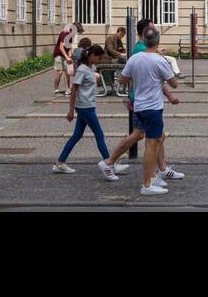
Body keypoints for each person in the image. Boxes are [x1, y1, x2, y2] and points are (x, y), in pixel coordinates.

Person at [104, 21, 183, 185]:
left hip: (139, 105)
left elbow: (122, 79)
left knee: (156, 137)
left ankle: (162, 170)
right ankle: (149, 181)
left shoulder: (135, 57)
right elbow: (173, 83)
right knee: (151, 143)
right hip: (152, 107)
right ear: (157, 41)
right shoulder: (159, 60)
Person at [53, 44, 124, 179]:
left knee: (77, 135)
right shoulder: (82, 70)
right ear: (91, 56)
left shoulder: (89, 68)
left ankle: (60, 162)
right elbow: (74, 89)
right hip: (85, 107)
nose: (100, 60)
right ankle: (109, 163)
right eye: (99, 57)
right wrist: (70, 110)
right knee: (99, 133)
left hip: (86, 106)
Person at [52, 22, 81, 95]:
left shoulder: (71, 35)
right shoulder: (64, 33)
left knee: (67, 72)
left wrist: (70, 54)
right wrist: (67, 57)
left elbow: (69, 46)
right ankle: (56, 88)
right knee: (60, 71)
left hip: (65, 55)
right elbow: (61, 47)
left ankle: (67, 89)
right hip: (58, 54)